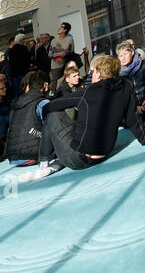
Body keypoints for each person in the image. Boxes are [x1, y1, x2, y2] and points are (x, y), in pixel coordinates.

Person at [19, 53, 145, 181]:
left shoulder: (88, 91)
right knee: (75, 126)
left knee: (52, 115)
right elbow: (133, 120)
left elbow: (50, 107)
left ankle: (43, 163)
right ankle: (56, 162)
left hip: (78, 159)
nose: (92, 74)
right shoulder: (126, 88)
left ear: (100, 75)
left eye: (94, 72)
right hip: (104, 153)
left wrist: (46, 126)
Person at [6, 69, 50, 165]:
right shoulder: (42, 103)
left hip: (13, 156)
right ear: (45, 86)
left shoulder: (15, 104)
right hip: (33, 154)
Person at [116, 39, 145, 114]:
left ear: (132, 52)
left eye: (125, 54)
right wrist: (134, 107)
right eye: (120, 56)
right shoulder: (117, 75)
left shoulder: (142, 65)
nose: (123, 58)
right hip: (133, 112)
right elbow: (120, 97)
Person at [48, 22, 74, 89]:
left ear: (65, 30)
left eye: (61, 27)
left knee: (68, 84)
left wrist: (57, 52)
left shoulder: (69, 39)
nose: (59, 28)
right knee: (56, 86)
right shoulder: (53, 41)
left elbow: (69, 51)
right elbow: (50, 54)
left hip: (66, 64)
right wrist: (59, 54)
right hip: (55, 66)